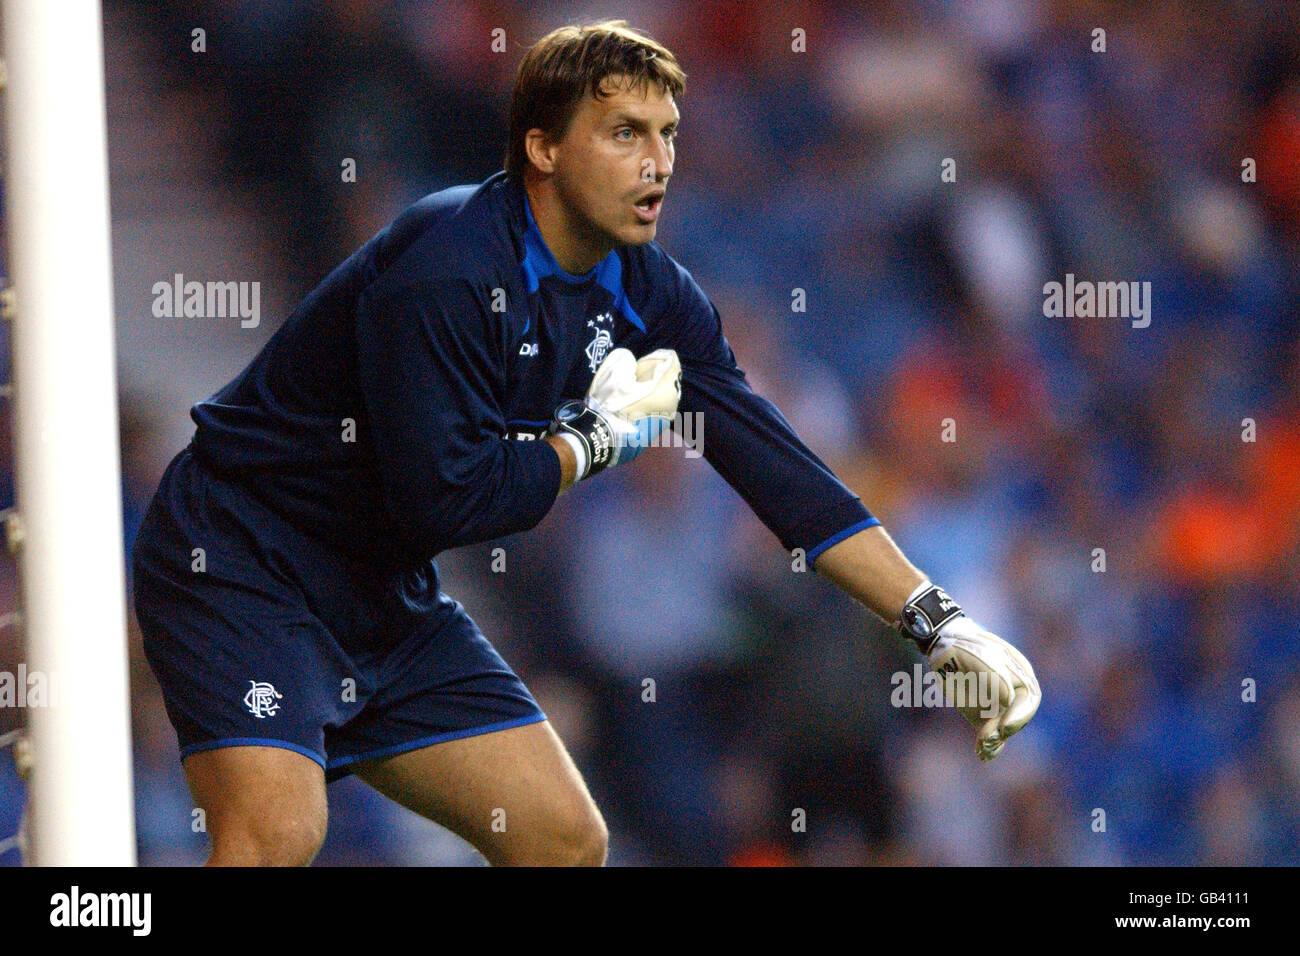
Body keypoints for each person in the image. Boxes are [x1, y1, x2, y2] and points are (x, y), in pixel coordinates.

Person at [131, 19, 1040, 867]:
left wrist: (939, 623)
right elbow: (444, 498)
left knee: (564, 838)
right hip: (244, 556)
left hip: (381, 595)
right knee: (280, 832)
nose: (658, 163)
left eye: (667, 133)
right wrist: (590, 444)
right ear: (543, 147)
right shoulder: (444, 268)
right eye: (625, 134)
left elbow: (784, 476)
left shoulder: (652, 292)